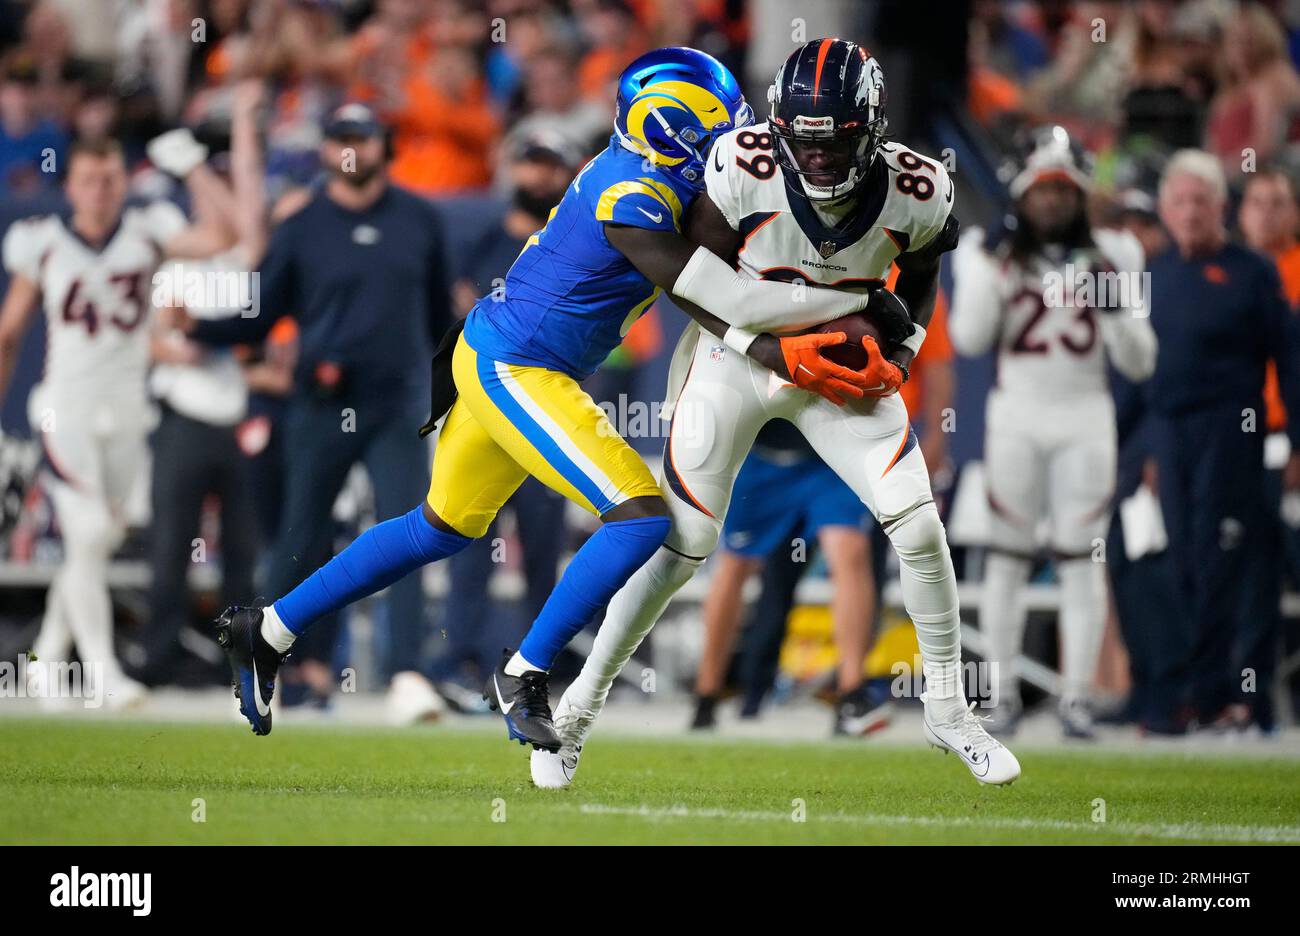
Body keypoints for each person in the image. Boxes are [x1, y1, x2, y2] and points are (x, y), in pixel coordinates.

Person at [202, 48, 886, 747]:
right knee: (640, 518)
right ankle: (525, 672)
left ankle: (269, 627)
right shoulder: (634, 195)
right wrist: (789, 345)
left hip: (499, 351)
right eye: (716, 131)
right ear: (671, 133)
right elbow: (703, 292)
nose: (729, 145)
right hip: (517, 367)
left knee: (438, 527)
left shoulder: (655, 179)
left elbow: (723, 263)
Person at [534, 38, 1021, 788]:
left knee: (919, 525)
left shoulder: (920, 188)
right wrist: (771, 349)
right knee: (684, 542)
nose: (818, 160)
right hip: (737, 359)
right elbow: (696, 281)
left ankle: (950, 710)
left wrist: (908, 349)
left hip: (836, 370)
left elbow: (920, 273)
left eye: (836, 141)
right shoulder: (740, 165)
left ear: (872, 126)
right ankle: (577, 710)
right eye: (803, 141)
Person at [177, 103, 453, 722]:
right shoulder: (302, 227)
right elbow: (260, 310)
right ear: (325, 149)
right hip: (321, 402)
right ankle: (272, 662)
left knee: (410, 531)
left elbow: (442, 319)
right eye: (340, 138)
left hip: (396, 404)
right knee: (299, 537)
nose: (351, 150)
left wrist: (453, 390)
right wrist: (198, 323)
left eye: (363, 137)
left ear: (386, 143)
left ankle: (407, 673)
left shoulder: (420, 220)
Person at [0, 137, 230, 705]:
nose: (100, 192)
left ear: (124, 182)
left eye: (110, 179)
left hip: (126, 413)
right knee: (89, 531)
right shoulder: (44, 242)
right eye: (89, 180)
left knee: (93, 544)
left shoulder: (147, 233)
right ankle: (102, 671)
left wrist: (195, 168)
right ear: (70, 185)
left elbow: (224, 236)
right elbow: (9, 334)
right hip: (64, 409)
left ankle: (45, 658)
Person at [949, 126, 1158, 739]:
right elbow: (971, 338)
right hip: (1016, 414)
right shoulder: (987, 250)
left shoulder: (1118, 251)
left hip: (1086, 417)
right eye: (1042, 188)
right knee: (1009, 557)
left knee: (1081, 559)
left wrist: (1114, 302)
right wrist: (990, 268)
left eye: (1064, 189)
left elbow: (1142, 363)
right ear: (1020, 192)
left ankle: (1076, 698)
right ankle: (1004, 693)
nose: (1053, 201)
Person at [1147, 149, 1300, 730]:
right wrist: (1136, 450)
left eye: (1200, 202)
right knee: (1180, 556)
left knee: (1227, 559)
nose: (1188, 212)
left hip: (1232, 431)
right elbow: (1135, 371)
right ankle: (1185, 688)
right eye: (1179, 201)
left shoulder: (1251, 271)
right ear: (1166, 208)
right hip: (1168, 432)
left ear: (1221, 208)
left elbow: (1288, 358)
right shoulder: (1152, 273)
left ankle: (1227, 697)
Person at [135, 83, 266, 685]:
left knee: (241, 556)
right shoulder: (169, 258)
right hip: (183, 417)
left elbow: (243, 218)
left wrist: (236, 124)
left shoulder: (234, 262)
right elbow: (153, 339)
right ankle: (158, 657)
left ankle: (234, 663)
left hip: (232, 417)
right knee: (170, 548)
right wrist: (179, 343)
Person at [689, 421, 881, 737]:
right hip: (761, 454)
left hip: (828, 458)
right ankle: (706, 694)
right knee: (735, 564)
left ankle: (852, 694)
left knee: (850, 551)